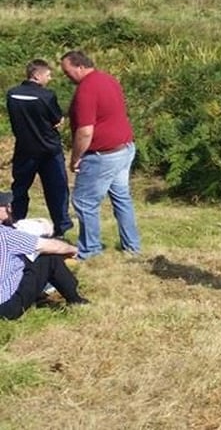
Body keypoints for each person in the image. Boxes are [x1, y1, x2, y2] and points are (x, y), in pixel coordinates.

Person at [60, 50, 141, 260]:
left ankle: (89, 250)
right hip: (124, 148)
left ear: (79, 66)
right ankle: (132, 246)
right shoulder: (108, 79)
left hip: (104, 155)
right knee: (122, 198)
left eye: (67, 71)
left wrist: (75, 157)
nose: (66, 76)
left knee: (84, 201)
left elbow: (86, 131)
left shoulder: (86, 89)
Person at [6, 59, 72, 237]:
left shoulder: (12, 94)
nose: (50, 79)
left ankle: (15, 223)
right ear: (37, 75)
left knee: (19, 188)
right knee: (57, 189)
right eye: (48, 75)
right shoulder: (46, 95)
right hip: (49, 150)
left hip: (24, 149)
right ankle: (61, 227)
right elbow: (57, 119)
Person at [0, 192, 89, 319]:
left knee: (25, 258)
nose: (9, 207)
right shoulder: (6, 236)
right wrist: (73, 249)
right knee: (48, 258)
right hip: (6, 308)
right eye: (5, 205)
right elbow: (51, 246)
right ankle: (75, 299)